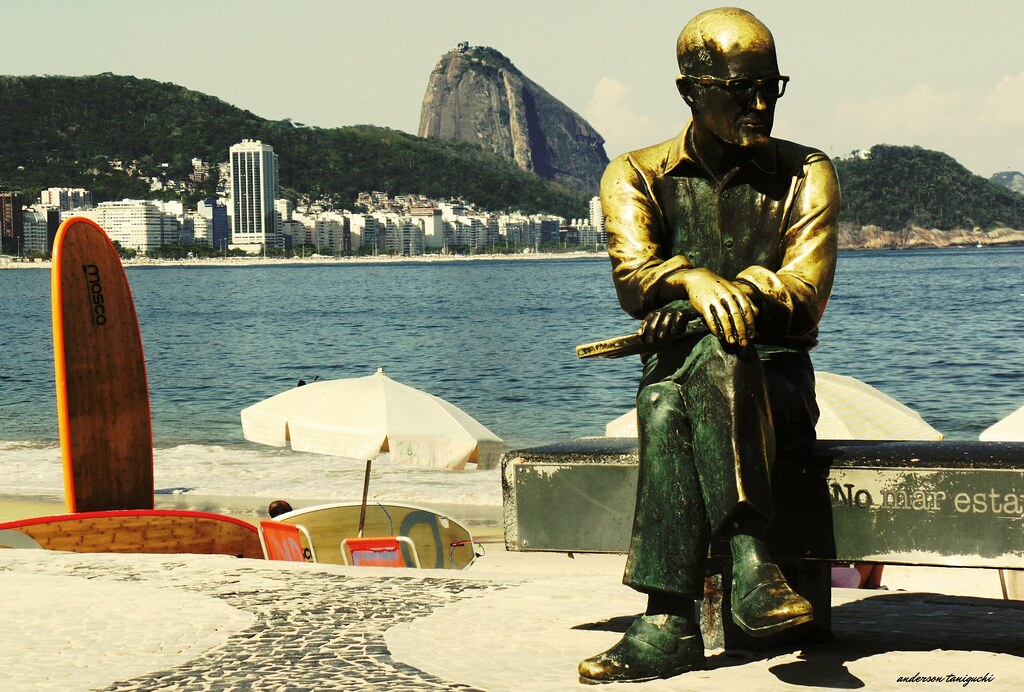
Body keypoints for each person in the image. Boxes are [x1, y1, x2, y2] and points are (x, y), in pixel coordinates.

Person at [579, 7, 840, 684]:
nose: (760, 105)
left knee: (698, 376)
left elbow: (805, 296)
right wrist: (690, 281)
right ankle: (750, 565)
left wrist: (729, 295)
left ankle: (668, 621)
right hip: (679, 380)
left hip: (777, 387)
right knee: (670, 399)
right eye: (739, 89)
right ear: (690, 90)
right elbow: (635, 284)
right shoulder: (634, 175)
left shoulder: (807, 172)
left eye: (770, 87)